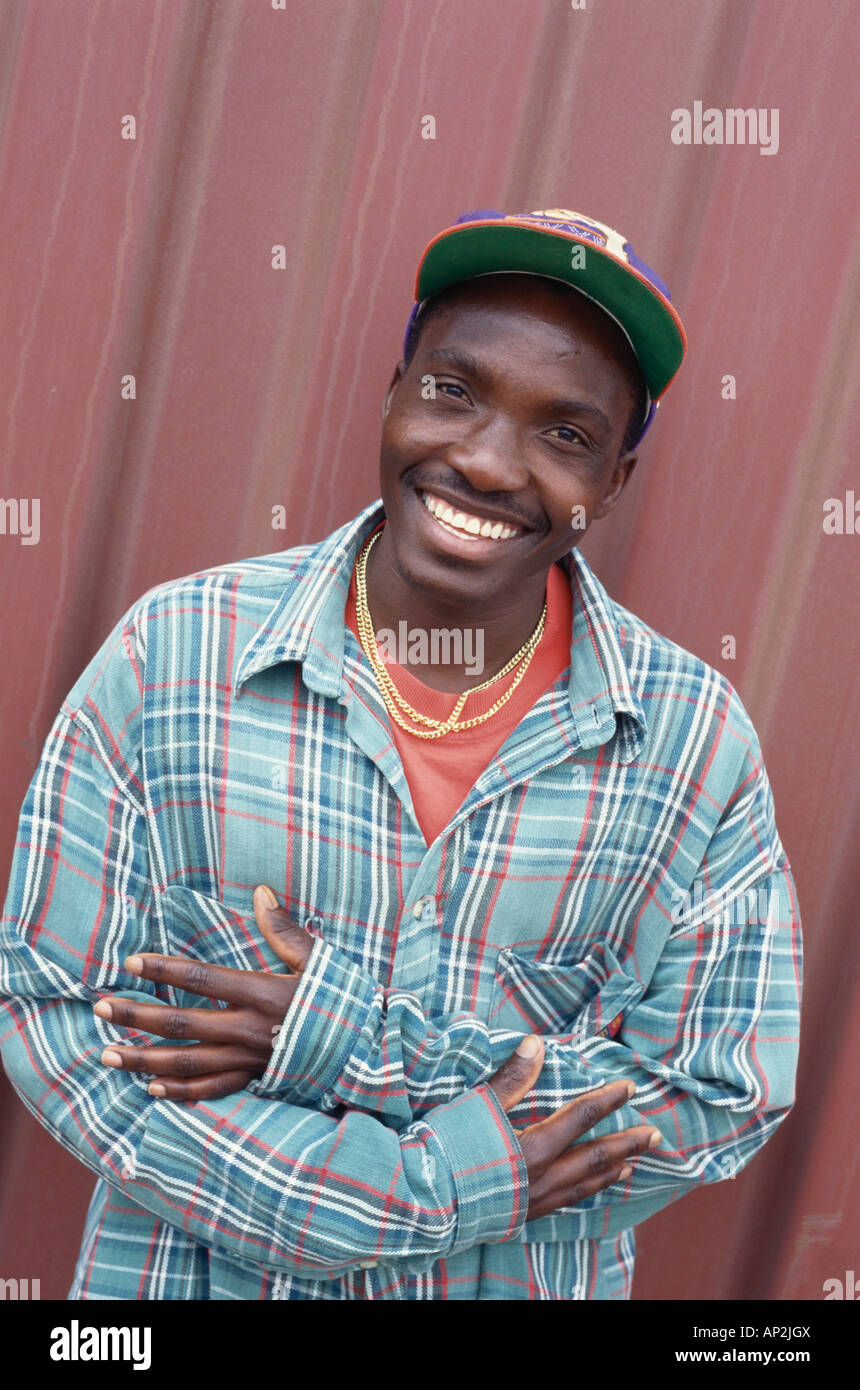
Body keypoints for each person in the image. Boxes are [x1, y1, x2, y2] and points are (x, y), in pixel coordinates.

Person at [0, 208, 802, 1301]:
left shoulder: (688, 744)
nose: (483, 460)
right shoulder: (176, 653)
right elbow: (51, 1009)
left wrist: (346, 1044)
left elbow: (717, 1093)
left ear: (611, 482)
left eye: (564, 434)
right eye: (454, 391)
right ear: (392, 394)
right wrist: (425, 1192)